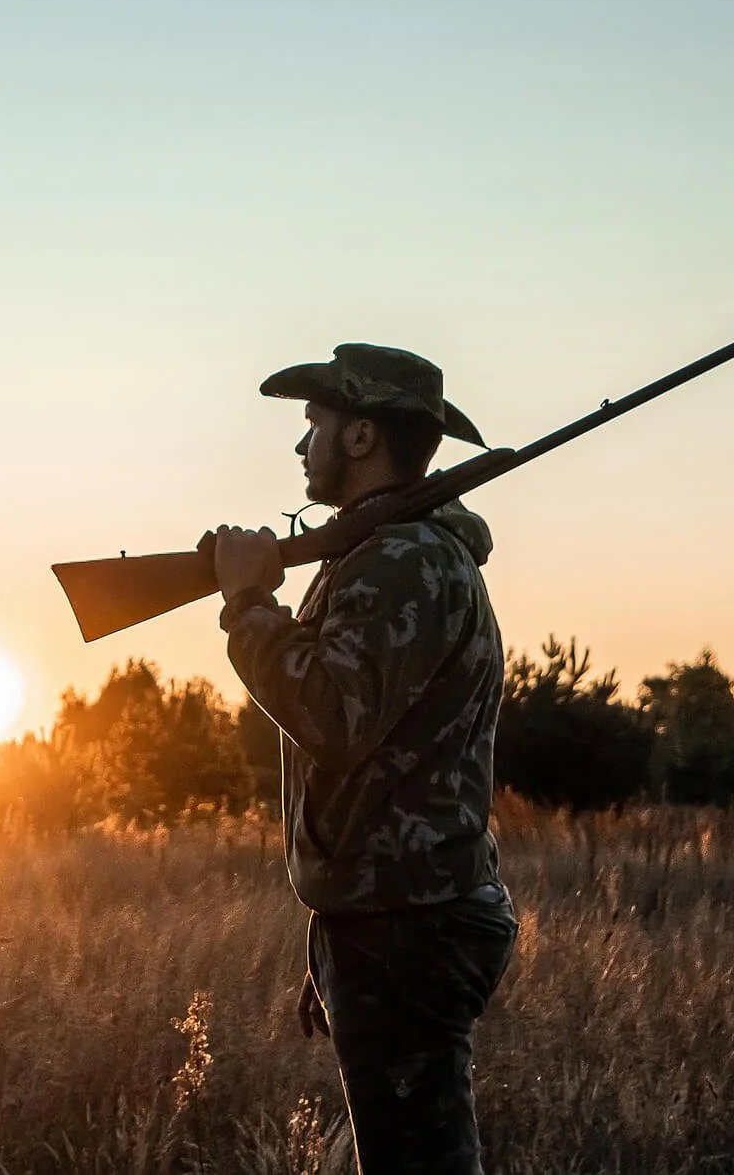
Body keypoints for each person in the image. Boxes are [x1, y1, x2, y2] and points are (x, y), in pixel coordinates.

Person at [210, 342, 518, 1175]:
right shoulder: (388, 555)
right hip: (389, 919)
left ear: (359, 438)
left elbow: (331, 716)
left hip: (405, 922)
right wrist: (339, 934)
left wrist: (247, 602)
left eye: (314, 423)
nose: (300, 443)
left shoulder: (401, 561)